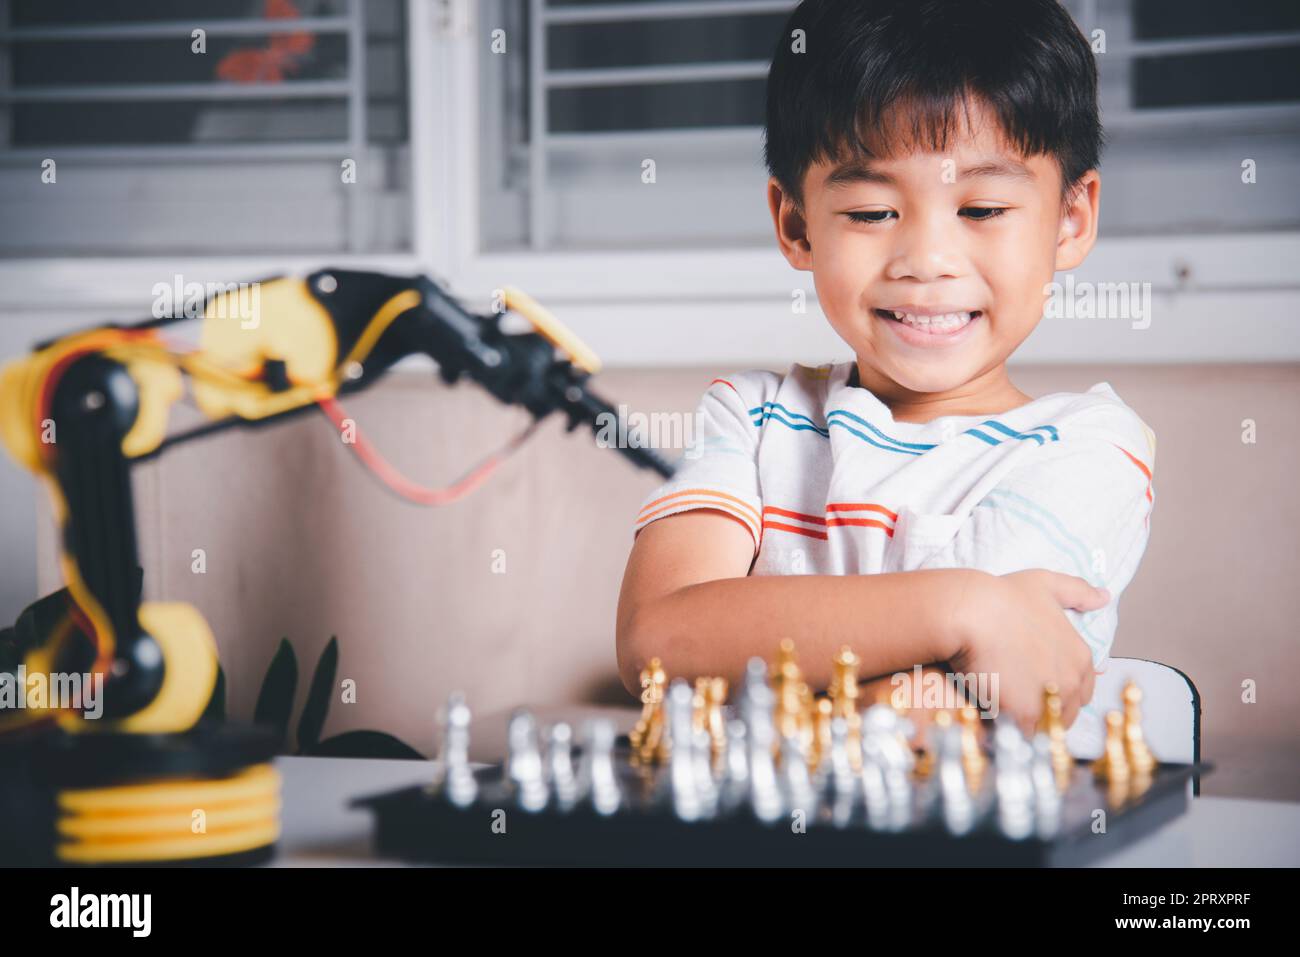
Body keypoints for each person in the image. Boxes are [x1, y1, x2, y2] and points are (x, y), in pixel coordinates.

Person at [616, 0, 1156, 738]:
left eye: (984, 208)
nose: (926, 261)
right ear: (796, 224)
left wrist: (763, 654)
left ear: (1072, 217)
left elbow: (957, 700)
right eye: (872, 213)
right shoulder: (749, 417)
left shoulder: (1093, 446)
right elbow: (657, 642)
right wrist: (962, 606)